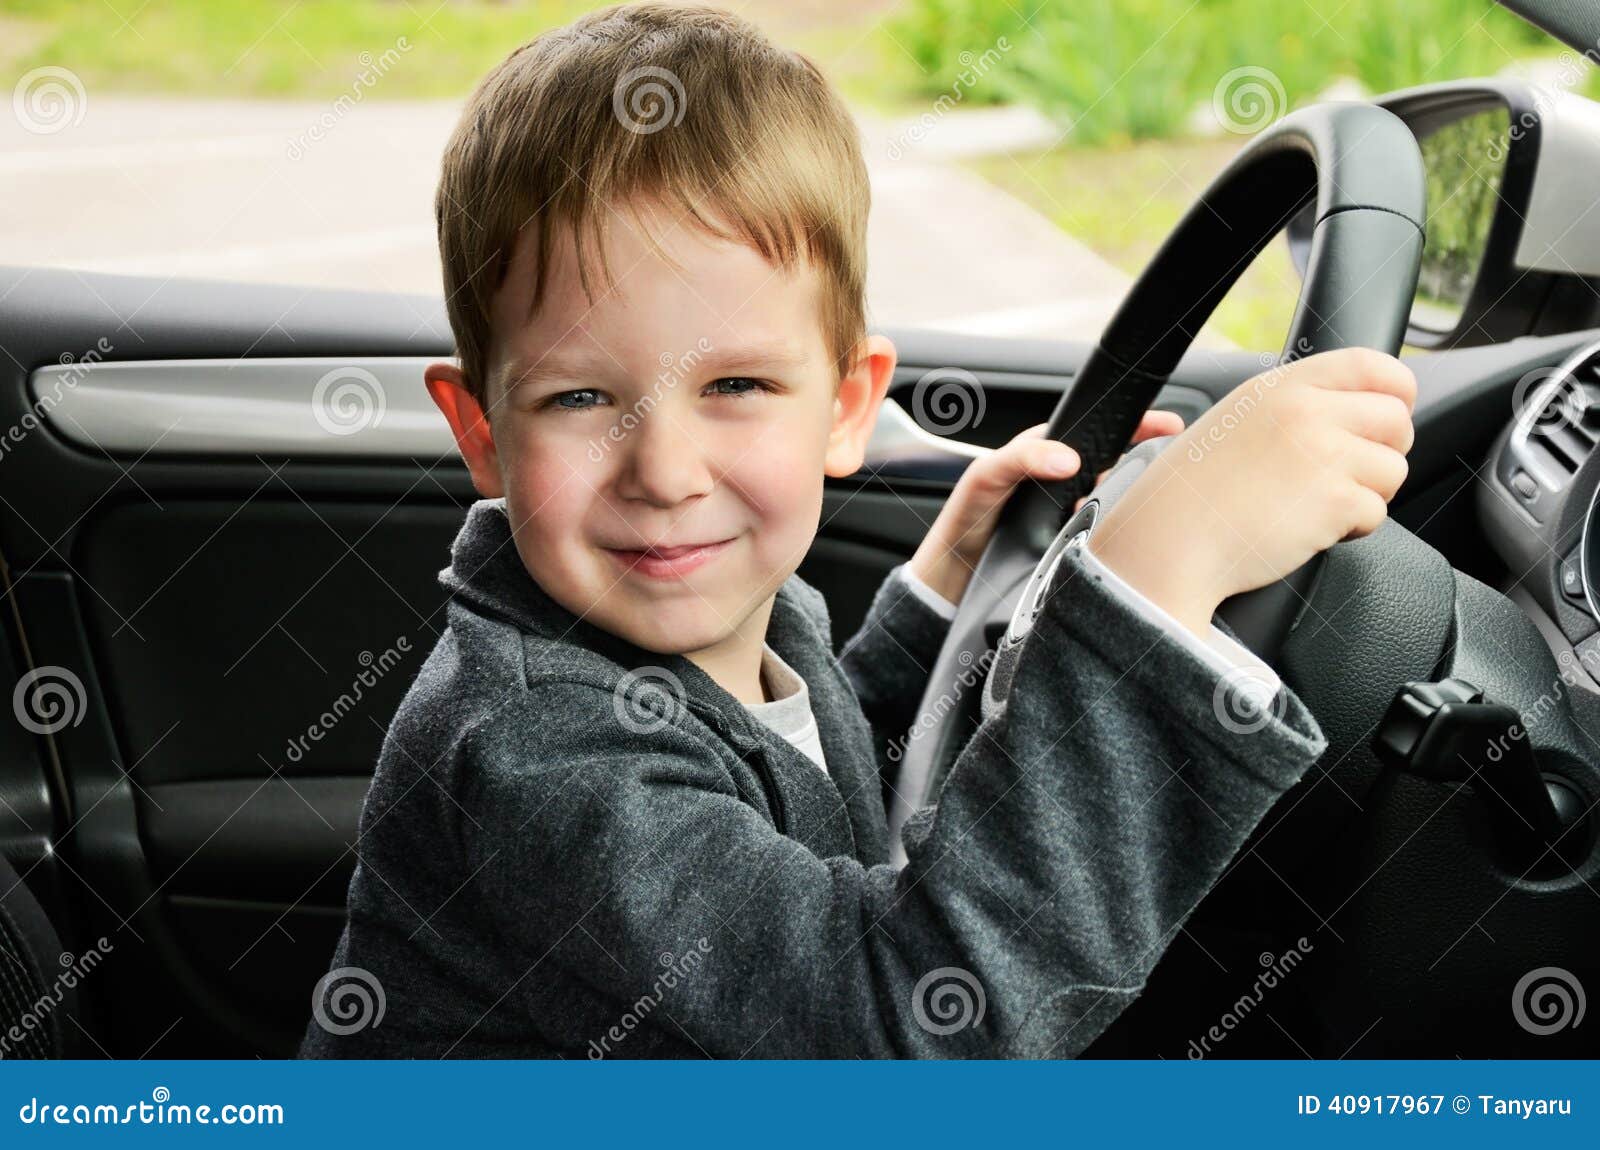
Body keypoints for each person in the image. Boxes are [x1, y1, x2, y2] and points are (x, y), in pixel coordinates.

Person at [299, 1, 1414, 1058]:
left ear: (844, 406)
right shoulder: (535, 746)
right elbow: (905, 1031)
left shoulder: (721, 617)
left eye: (735, 383)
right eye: (581, 400)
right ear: (483, 432)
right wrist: (1149, 590)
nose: (665, 472)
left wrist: (950, 589)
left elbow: (812, 803)